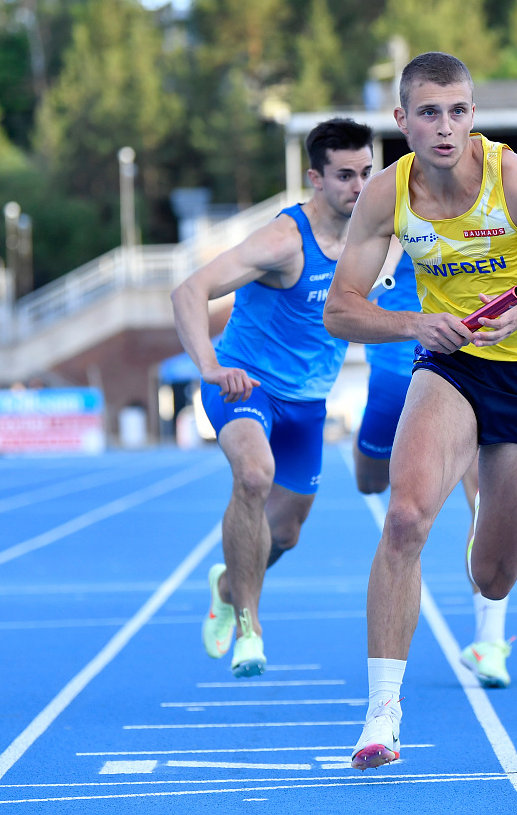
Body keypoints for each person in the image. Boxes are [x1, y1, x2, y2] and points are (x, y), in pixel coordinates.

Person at [325, 51, 517, 769]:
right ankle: (381, 716)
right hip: (450, 366)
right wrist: (414, 325)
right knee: (403, 518)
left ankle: (487, 585)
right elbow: (341, 309)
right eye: (429, 112)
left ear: (473, 115)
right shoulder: (387, 195)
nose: (445, 126)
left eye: (458, 110)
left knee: (492, 575)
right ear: (403, 121)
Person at [171, 118, 374, 678]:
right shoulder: (284, 241)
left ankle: (228, 584)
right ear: (315, 177)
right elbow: (189, 290)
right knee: (254, 477)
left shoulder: (376, 232)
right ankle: (248, 629)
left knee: (284, 533)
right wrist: (210, 367)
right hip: (246, 386)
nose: (357, 188)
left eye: (365, 173)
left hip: (307, 406)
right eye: (343, 176)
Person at [353, 248, 500, 686]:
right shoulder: (389, 212)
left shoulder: (479, 214)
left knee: (482, 498)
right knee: (370, 482)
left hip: (455, 374)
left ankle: (490, 641)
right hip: (392, 373)